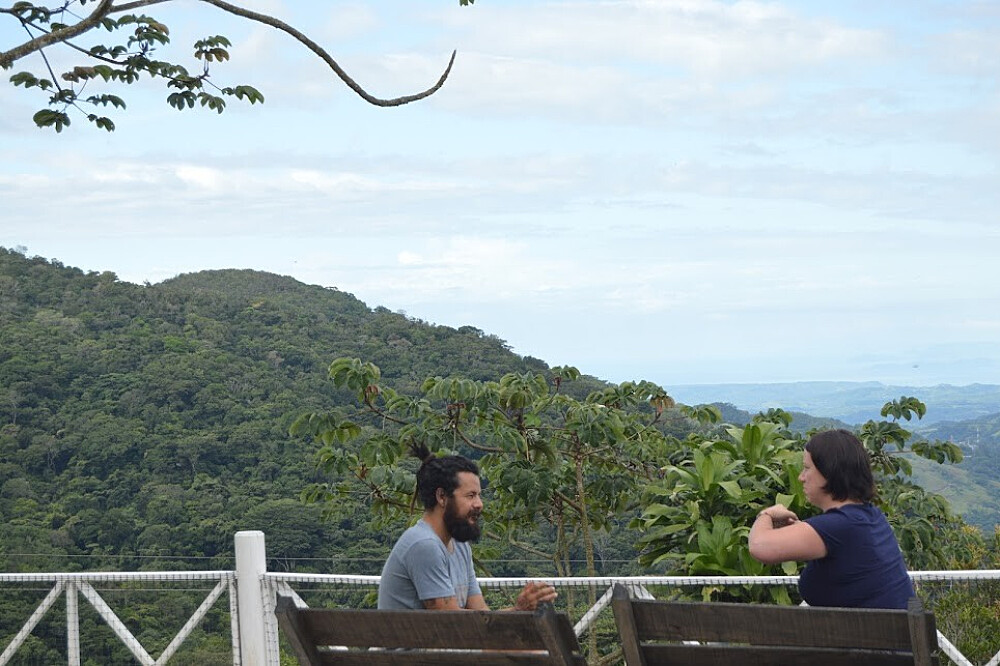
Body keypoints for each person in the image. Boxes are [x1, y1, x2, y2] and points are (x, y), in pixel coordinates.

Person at [378, 444, 558, 611]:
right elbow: (456, 626)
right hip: (425, 645)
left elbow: (480, 615)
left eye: (479, 495)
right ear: (442, 497)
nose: (479, 504)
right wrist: (518, 610)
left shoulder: (460, 546)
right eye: (471, 496)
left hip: (449, 642)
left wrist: (519, 611)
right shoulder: (425, 546)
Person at [748, 429, 915, 609]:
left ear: (829, 471)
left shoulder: (840, 526)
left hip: (864, 636)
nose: (801, 477)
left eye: (807, 468)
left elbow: (759, 547)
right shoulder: (869, 517)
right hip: (895, 633)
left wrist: (767, 514)